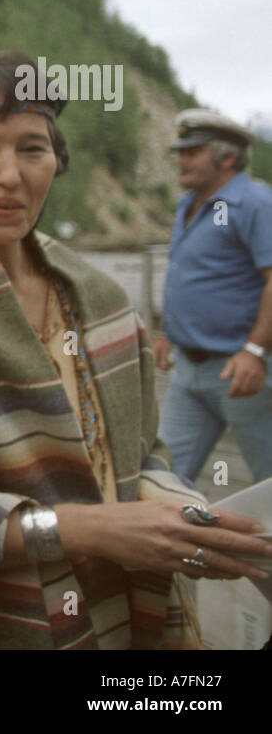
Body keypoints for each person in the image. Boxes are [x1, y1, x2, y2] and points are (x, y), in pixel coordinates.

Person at [0, 51, 272, 649]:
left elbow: (145, 454)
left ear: (57, 161)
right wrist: (93, 530)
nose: (10, 175)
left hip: (123, 612)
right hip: (0, 622)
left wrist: (188, 527)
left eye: (32, 149)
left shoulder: (99, 297)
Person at [153, 109, 272, 484]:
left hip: (242, 372)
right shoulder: (189, 204)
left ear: (227, 158)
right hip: (189, 370)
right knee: (163, 477)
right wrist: (167, 333)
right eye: (180, 151)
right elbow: (192, 276)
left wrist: (254, 351)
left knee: (269, 482)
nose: (181, 160)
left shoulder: (256, 203)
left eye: (193, 151)